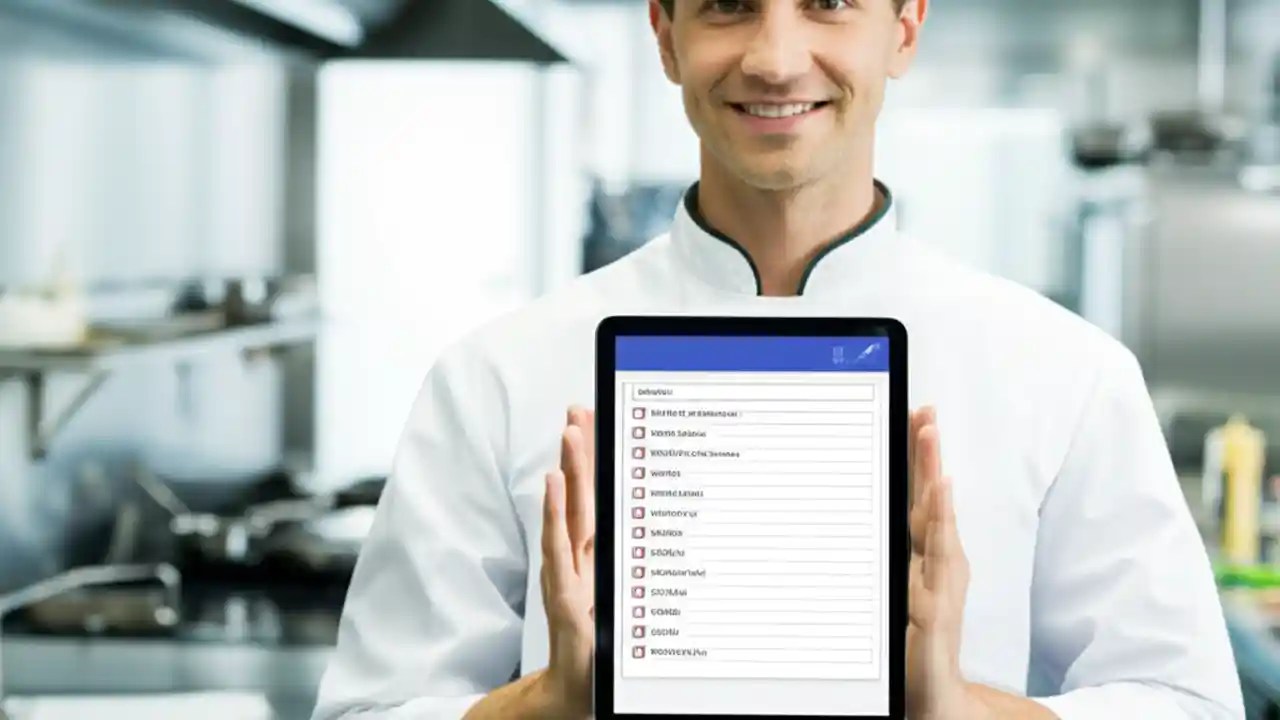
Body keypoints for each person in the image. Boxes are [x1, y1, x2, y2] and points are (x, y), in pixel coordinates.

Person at [311, 0, 1245, 717]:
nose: (775, 57)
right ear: (666, 34)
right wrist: (541, 707)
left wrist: (963, 709)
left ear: (906, 25)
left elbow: (1185, 701)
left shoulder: (1067, 375)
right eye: (726, 2)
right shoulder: (496, 378)